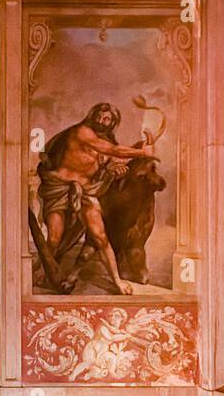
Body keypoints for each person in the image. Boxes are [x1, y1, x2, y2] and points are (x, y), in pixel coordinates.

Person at [36, 102, 154, 295]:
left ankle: (116, 281)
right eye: (100, 116)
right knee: (55, 238)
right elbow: (113, 151)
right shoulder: (83, 132)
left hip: (86, 191)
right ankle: (42, 270)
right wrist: (142, 152)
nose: (102, 121)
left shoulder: (107, 144)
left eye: (107, 119)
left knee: (100, 236)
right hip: (60, 187)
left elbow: (113, 162)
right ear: (93, 115)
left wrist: (114, 171)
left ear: (112, 123)